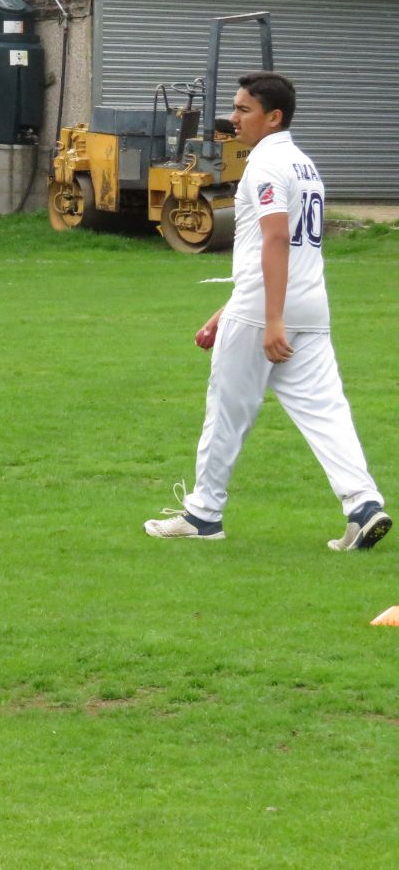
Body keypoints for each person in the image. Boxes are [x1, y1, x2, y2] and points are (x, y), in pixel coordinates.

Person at [144, 71, 389, 551]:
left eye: (243, 110)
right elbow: (279, 246)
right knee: (326, 412)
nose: (232, 118)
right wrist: (227, 309)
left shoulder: (265, 165)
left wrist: (268, 318)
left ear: (272, 117)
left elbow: (276, 238)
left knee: (226, 411)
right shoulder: (305, 165)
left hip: (267, 310)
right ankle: (363, 505)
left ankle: (203, 515)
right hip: (308, 306)